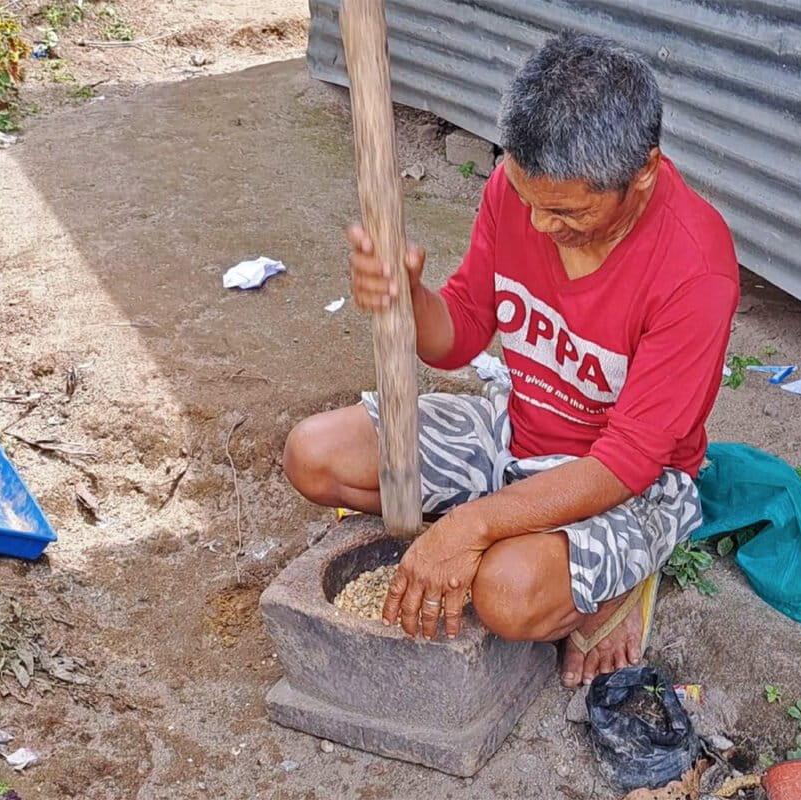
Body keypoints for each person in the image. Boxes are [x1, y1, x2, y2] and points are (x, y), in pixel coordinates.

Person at [284, 31, 738, 688]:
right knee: (314, 454)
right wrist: (407, 299)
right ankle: (525, 539)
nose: (541, 225)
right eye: (528, 199)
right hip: (513, 434)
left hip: (628, 486)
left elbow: (627, 461)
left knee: (506, 594)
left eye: (567, 213)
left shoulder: (695, 271)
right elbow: (462, 332)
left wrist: (470, 527)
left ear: (642, 176)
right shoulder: (516, 190)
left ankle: (618, 585)